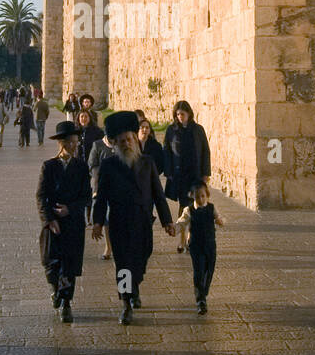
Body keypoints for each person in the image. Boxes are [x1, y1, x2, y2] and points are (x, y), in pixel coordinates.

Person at [92, 111, 175, 325]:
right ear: (116, 144)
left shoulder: (147, 163)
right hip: (119, 223)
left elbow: (158, 194)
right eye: (121, 141)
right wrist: (98, 222)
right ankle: (126, 303)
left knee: (140, 261)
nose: (126, 143)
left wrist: (167, 221)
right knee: (123, 265)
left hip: (143, 222)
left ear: (135, 139)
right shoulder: (109, 166)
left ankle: (134, 286)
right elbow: (101, 197)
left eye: (129, 139)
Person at [36, 121, 91, 324]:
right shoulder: (49, 167)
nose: (74, 146)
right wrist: (49, 219)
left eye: (76, 142)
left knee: (69, 264)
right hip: (53, 223)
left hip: (73, 222)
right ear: (62, 143)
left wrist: (71, 209)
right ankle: (55, 290)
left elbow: (86, 196)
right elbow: (41, 196)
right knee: (50, 262)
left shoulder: (81, 167)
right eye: (70, 142)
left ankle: (66, 304)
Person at [163, 100, 211, 249]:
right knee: (184, 207)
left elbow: (205, 151)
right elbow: (167, 151)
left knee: (196, 206)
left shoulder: (198, 130)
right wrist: (168, 171)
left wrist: (205, 174)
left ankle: (191, 237)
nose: (180, 117)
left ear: (188, 114)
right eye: (177, 114)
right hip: (180, 175)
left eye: (182, 114)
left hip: (195, 175)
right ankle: (182, 239)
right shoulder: (172, 130)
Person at [176, 183, 224, 314]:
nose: (201, 199)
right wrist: (173, 229)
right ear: (193, 197)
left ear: (207, 196)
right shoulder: (189, 210)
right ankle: (200, 300)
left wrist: (220, 221)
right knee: (199, 271)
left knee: (209, 269)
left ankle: (204, 290)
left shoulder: (211, 208)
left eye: (203, 196)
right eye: (198, 197)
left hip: (210, 244)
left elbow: (219, 218)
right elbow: (182, 222)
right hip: (196, 245)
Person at [87, 127, 116, 259]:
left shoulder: (120, 144)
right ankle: (108, 246)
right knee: (107, 219)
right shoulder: (98, 145)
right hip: (102, 186)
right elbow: (92, 164)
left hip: (118, 187)